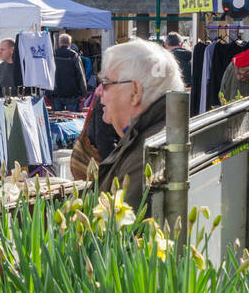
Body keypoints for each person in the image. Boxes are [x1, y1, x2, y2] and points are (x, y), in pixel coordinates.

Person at [97, 39, 185, 206]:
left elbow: (121, 227)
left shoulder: (147, 152)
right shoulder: (159, 133)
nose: (98, 91)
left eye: (106, 83)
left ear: (135, 92)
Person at [52, 33, 88, 111]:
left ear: (59, 43)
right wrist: (83, 93)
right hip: (72, 93)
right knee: (72, 119)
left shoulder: (53, 54)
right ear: (70, 43)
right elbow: (80, 75)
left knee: (56, 119)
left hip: (56, 92)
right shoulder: (74, 55)